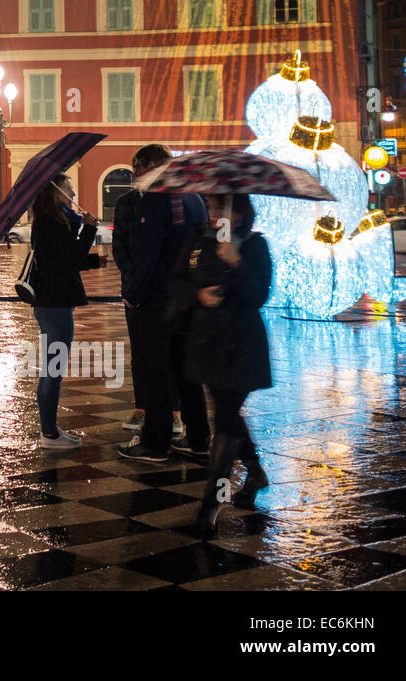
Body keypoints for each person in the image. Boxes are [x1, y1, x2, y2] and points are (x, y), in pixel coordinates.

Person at [168, 194, 273, 537]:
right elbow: (177, 281)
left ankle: (211, 504)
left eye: (223, 210)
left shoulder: (255, 246)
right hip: (206, 343)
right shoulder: (199, 241)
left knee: (225, 418)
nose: (215, 216)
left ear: (240, 217)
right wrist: (198, 296)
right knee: (227, 413)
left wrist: (237, 264)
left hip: (241, 344)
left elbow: (259, 295)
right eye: (213, 209)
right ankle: (254, 472)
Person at [117, 146, 208, 463]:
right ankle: (199, 439)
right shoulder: (194, 197)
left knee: (152, 369)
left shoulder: (156, 196)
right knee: (186, 371)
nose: (136, 174)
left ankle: (155, 444)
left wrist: (133, 293)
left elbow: (148, 252)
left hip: (156, 298)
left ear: (151, 165)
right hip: (187, 298)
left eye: (137, 167)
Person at [28, 173, 106, 448]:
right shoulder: (50, 223)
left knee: (53, 368)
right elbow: (70, 259)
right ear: (55, 193)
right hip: (54, 305)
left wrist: (95, 260)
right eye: (69, 190)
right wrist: (88, 229)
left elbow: (63, 260)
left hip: (54, 302)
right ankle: (48, 433)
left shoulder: (55, 222)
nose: (73, 194)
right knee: (52, 370)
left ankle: (50, 430)